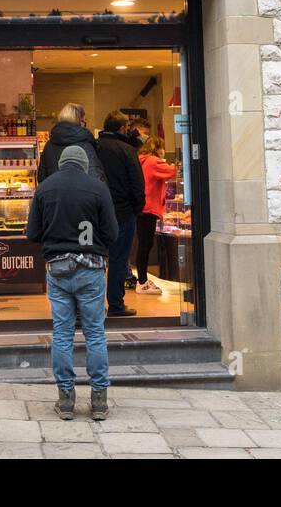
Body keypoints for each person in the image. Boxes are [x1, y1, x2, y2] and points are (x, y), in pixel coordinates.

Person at [26, 144, 117, 421]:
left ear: (61, 164)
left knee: (62, 334)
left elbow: (32, 233)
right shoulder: (98, 188)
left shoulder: (45, 188)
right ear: (84, 164)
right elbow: (111, 233)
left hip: (58, 270)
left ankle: (66, 400)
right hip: (91, 269)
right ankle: (99, 400)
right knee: (95, 334)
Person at [95, 110, 145, 317]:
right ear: (123, 128)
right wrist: (137, 208)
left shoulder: (94, 147)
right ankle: (116, 304)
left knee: (95, 260)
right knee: (118, 259)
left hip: (96, 212)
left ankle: (93, 306)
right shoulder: (126, 149)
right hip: (123, 212)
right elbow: (137, 183)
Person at [136, 136, 177, 294]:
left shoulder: (141, 159)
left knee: (143, 245)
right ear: (158, 148)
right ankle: (142, 282)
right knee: (146, 246)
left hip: (140, 206)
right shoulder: (154, 161)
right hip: (149, 207)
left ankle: (142, 279)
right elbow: (172, 172)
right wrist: (176, 164)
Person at [37, 102, 104, 182]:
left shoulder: (49, 145)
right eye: (84, 122)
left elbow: (41, 177)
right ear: (80, 122)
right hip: (80, 193)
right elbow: (96, 179)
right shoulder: (85, 146)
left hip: (55, 192)